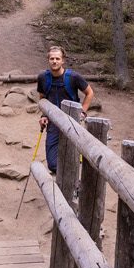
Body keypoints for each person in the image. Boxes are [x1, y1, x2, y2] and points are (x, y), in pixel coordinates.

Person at [37, 44, 95, 175]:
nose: (54, 61)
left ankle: (71, 182)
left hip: (72, 121)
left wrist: (83, 112)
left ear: (63, 60)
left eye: (57, 58)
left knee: (72, 157)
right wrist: (43, 116)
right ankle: (63, 179)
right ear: (48, 60)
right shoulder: (42, 78)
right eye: (52, 58)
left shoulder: (73, 77)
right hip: (53, 122)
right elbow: (43, 99)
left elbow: (90, 93)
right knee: (52, 164)